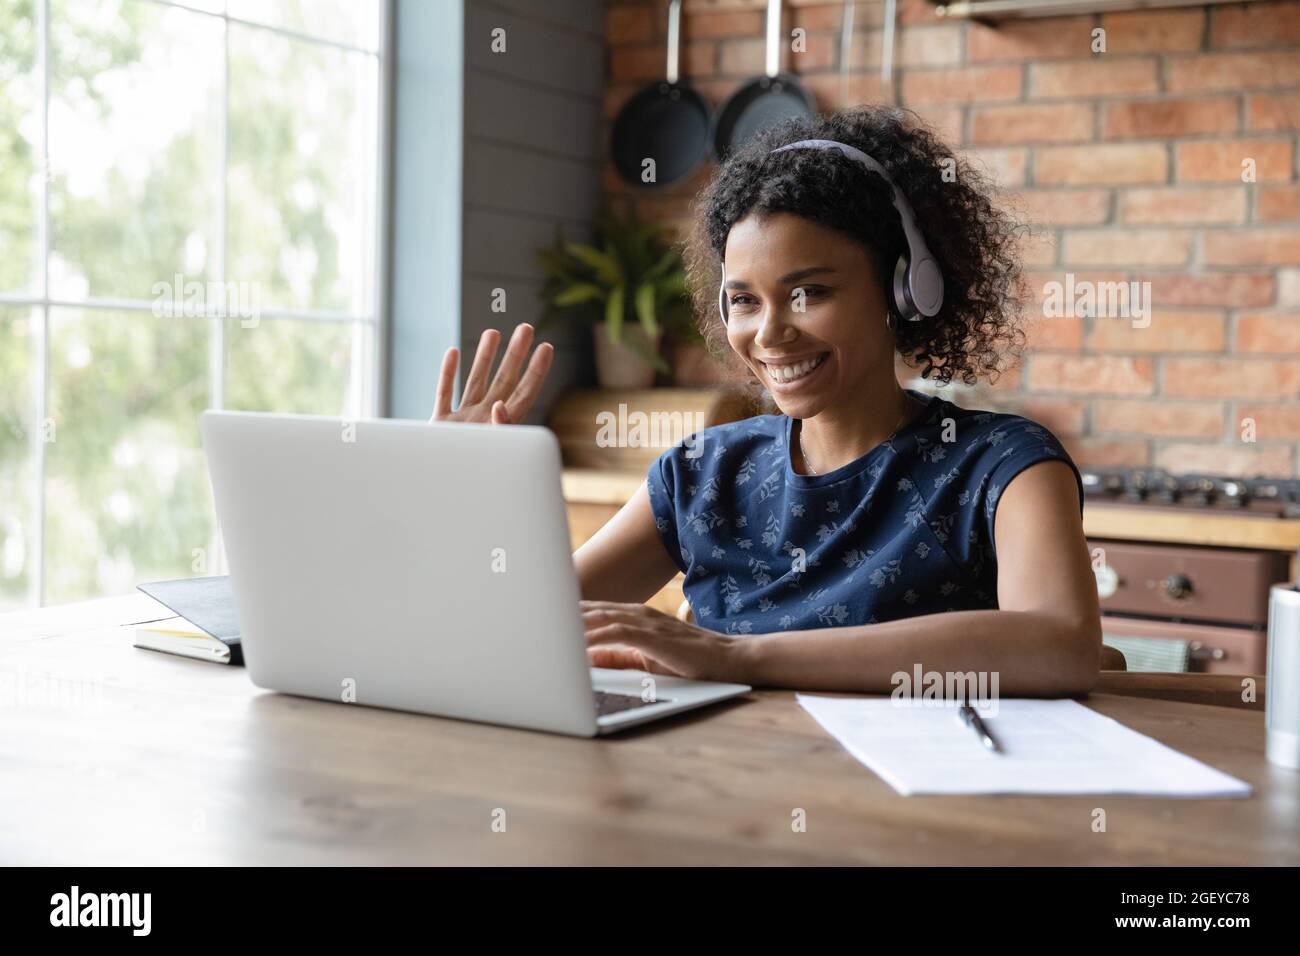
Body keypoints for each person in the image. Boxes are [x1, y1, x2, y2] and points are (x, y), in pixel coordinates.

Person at [431, 106, 1101, 696]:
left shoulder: (1002, 463)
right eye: (745, 301)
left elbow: (1061, 646)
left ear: (905, 290)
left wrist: (737, 655)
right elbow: (520, 625)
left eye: (809, 293)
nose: (771, 332)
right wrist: (460, 502)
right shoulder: (701, 472)